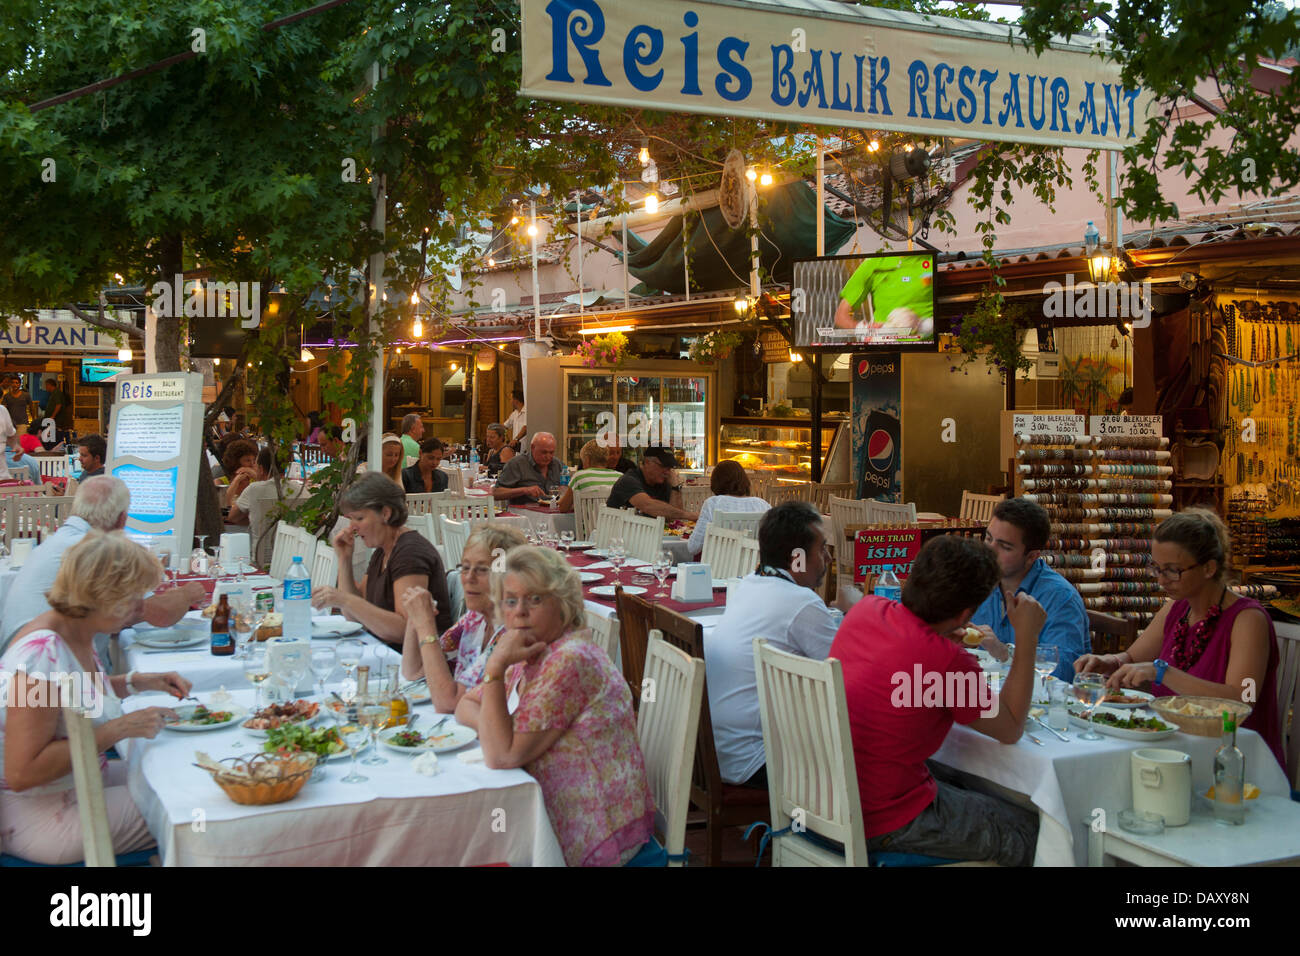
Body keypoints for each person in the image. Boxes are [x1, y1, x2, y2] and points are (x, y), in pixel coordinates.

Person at [832, 534, 1043, 866]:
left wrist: (941, 634)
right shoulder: (946, 661)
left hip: (834, 800)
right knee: (1034, 831)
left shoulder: (867, 610)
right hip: (886, 820)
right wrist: (1027, 639)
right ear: (965, 613)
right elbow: (1011, 727)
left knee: (966, 785)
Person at [0, 531, 194, 865]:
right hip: (43, 814)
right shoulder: (39, 656)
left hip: (80, 781)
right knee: (193, 809)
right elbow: (23, 771)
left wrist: (138, 681)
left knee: (187, 769)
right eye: (134, 597)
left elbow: (71, 697)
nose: (139, 608)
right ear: (105, 597)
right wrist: (118, 728)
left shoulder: (73, 628)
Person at [454, 546, 654, 866]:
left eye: (534, 599)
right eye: (510, 600)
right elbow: (465, 704)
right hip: (548, 818)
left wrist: (494, 669)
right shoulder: (533, 651)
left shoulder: (570, 658)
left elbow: (502, 755)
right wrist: (497, 729)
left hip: (597, 837)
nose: (519, 611)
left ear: (562, 604)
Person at [1075, 508, 1286, 770]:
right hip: (1176, 750)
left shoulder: (1247, 619)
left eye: (1173, 571)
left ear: (1209, 568)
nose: (1162, 580)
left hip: (1232, 761)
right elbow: (1131, 657)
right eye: (1157, 568)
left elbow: (1243, 699)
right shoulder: (1177, 609)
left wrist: (1162, 673)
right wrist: (1108, 662)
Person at [704, 502, 860, 786]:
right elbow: (848, 680)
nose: (827, 558)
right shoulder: (802, 604)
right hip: (754, 761)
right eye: (822, 549)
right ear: (797, 558)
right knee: (865, 747)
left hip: (717, 752)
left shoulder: (750, 583)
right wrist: (858, 614)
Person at [0, 476, 205, 656]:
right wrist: (188, 593)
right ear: (121, 519)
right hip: (45, 676)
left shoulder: (57, 542)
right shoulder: (93, 551)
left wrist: (133, 682)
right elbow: (159, 614)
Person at [312, 472, 452, 645]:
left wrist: (344, 599)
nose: (353, 527)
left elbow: (407, 630)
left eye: (360, 518)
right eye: (352, 519)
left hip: (415, 665)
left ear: (385, 513)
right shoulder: (383, 550)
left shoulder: (410, 553)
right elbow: (355, 616)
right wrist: (344, 559)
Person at [399, 525, 528, 711]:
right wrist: (416, 618)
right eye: (465, 567)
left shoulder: (514, 632)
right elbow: (415, 671)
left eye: (482, 570)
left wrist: (426, 625)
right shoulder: (476, 620)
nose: (469, 577)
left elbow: (449, 702)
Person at [969, 497, 1089, 682]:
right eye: (988, 538)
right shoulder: (976, 579)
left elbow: (1063, 673)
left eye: (1004, 546)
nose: (989, 551)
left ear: (1032, 556)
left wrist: (1004, 652)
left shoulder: (1060, 597)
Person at [832, 255, 935, 338]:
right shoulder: (873, 263)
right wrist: (864, 331)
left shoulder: (932, 261)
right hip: (884, 348)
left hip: (928, 350)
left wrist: (924, 325)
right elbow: (841, 316)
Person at [686, 460, 771, 557]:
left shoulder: (713, 504)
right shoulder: (762, 505)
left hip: (718, 568)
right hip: (753, 569)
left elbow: (693, 547)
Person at [605, 447, 698, 520]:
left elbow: (672, 517)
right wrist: (688, 515)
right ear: (647, 462)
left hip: (642, 536)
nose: (667, 471)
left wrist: (675, 487)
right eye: (663, 466)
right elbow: (648, 505)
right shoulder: (628, 480)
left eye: (670, 467)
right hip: (616, 538)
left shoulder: (663, 481)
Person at [226, 445, 302, 527]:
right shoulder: (300, 489)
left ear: (261, 469)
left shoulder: (254, 489)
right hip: (290, 537)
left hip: (260, 538)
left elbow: (232, 518)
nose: (252, 465)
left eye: (255, 462)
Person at [492, 431, 562, 503]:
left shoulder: (557, 464)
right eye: (544, 452)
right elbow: (496, 493)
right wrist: (524, 490)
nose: (548, 457)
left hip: (554, 511)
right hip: (523, 512)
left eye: (551, 452)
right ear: (532, 447)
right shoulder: (517, 464)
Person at [555, 439, 621, 513]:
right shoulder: (620, 477)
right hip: (615, 523)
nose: (583, 466)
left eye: (583, 461)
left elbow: (563, 508)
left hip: (589, 524)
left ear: (587, 460)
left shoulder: (580, 476)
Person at [41, 377, 74, 446]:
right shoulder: (54, 393)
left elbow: (58, 405)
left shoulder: (57, 393)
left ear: (50, 385)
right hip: (53, 420)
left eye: (46, 385)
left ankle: (55, 448)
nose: (46, 387)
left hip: (56, 420)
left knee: (55, 437)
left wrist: (53, 416)